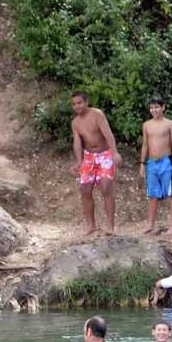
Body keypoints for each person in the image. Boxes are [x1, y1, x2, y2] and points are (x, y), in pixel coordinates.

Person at [71, 91, 122, 237]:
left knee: (106, 186)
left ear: (86, 102)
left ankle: (110, 226)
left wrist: (114, 153)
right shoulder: (75, 123)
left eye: (79, 102)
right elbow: (77, 142)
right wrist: (79, 162)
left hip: (105, 154)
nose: (77, 106)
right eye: (74, 104)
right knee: (85, 189)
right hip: (89, 156)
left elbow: (108, 134)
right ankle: (91, 225)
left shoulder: (97, 114)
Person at [138, 98, 172, 236]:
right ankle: (150, 224)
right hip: (151, 162)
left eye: (157, 107)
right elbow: (145, 145)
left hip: (166, 162)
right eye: (151, 108)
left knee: (171, 193)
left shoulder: (169, 124)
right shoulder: (146, 125)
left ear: (163, 107)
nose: (154, 110)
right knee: (152, 194)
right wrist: (142, 163)